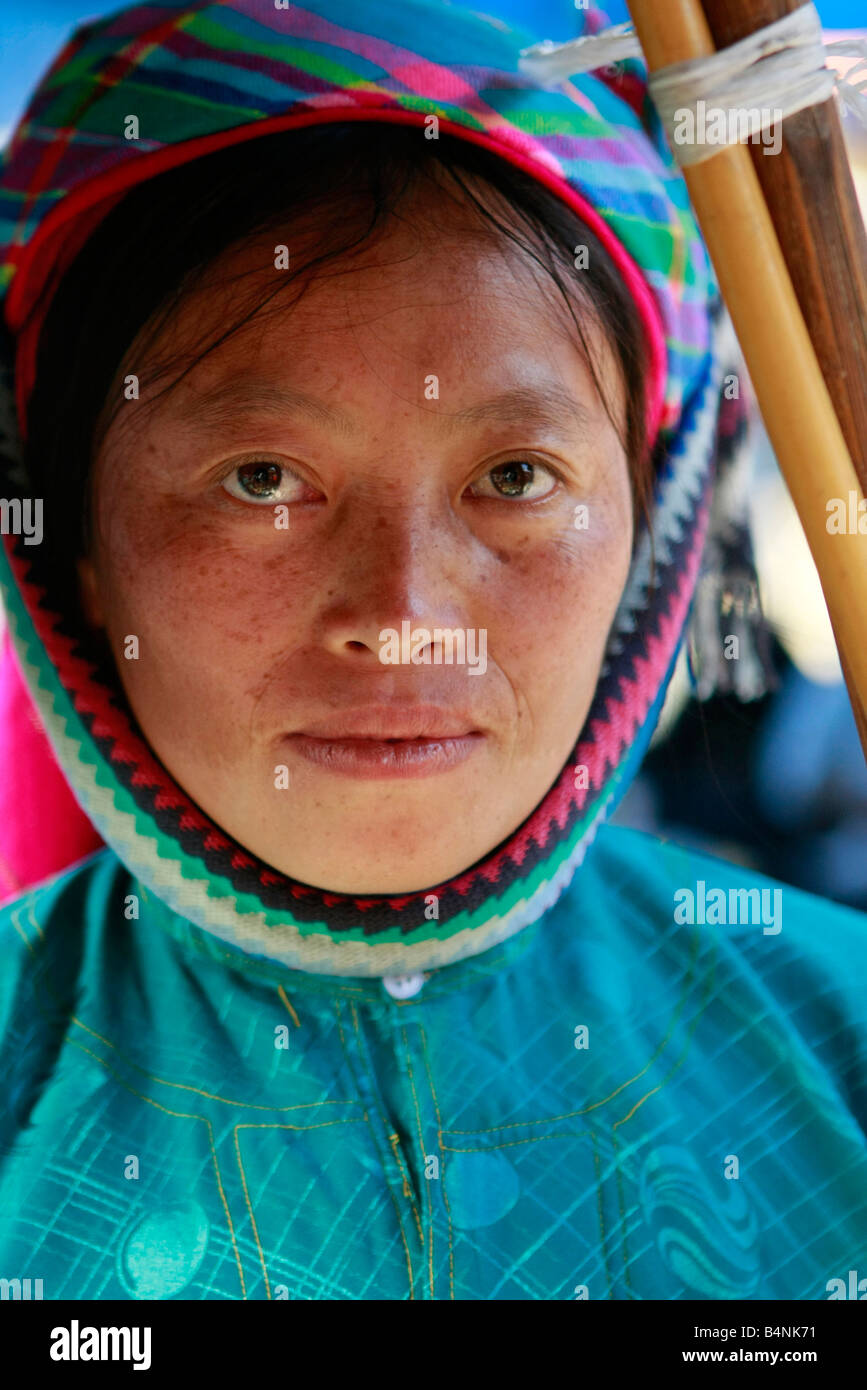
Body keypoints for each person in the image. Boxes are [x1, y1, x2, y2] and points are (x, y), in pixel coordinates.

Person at [0, 0, 864, 1302]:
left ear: (652, 524)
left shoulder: (843, 1045)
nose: (404, 609)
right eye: (261, 477)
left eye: (515, 473)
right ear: (72, 540)